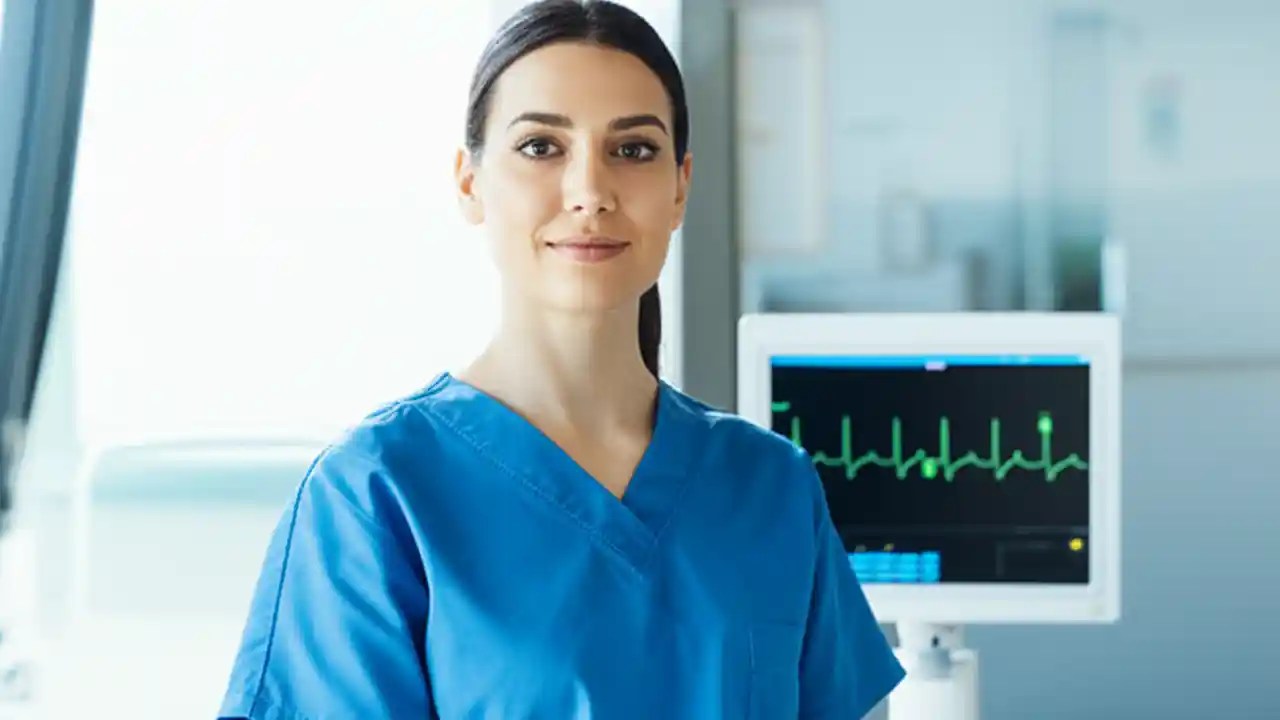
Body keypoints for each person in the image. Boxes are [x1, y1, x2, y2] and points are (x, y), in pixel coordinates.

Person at [217, 1, 904, 718]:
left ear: (680, 187)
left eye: (632, 150)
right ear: (469, 183)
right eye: (542, 147)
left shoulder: (769, 487)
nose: (591, 193)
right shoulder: (376, 494)